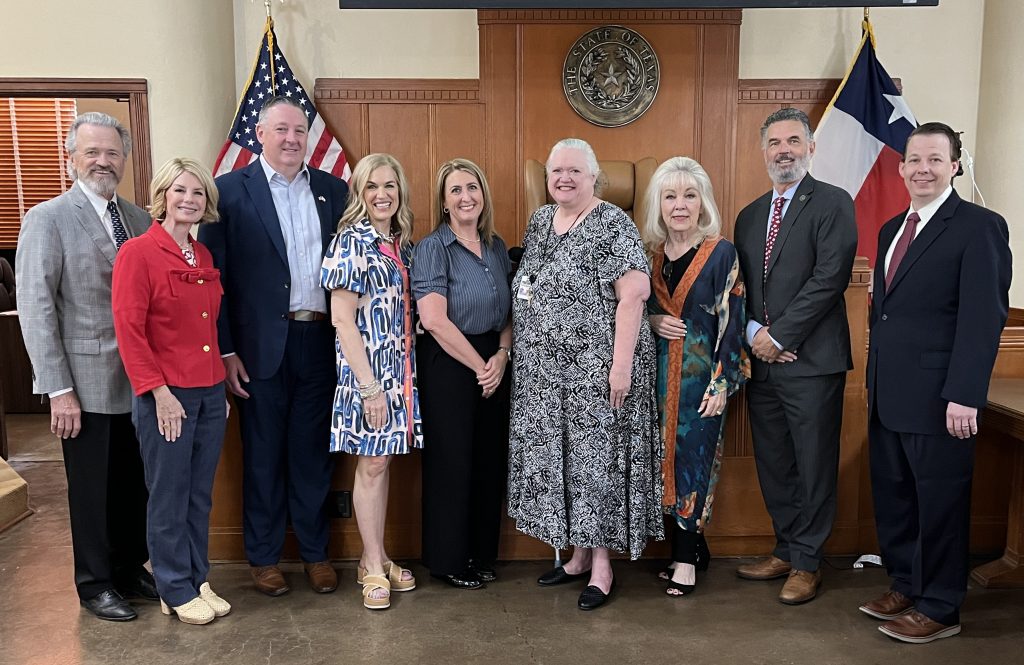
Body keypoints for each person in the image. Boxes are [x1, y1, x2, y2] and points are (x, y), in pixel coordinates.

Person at [862, 123, 1011, 644]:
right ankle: (906, 584)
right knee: (897, 497)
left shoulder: (979, 227)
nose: (922, 168)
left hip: (942, 399)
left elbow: (981, 319)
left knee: (940, 504)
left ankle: (941, 606)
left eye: (934, 159)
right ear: (901, 167)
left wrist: (965, 394)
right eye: (913, 160)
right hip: (887, 395)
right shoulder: (889, 230)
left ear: (955, 166)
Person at [199, 96, 348, 597]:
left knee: (312, 456)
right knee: (262, 456)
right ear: (258, 134)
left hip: (321, 342)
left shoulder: (333, 190)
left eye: (300, 130)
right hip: (258, 349)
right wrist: (224, 351)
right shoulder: (227, 193)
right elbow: (213, 281)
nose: (292, 139)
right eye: (281, 129)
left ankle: (315, 554)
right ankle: (263, 559)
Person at [508, 138, 661, 611]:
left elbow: (634, 295)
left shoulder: (613, 222)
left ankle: (601, 568)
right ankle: (575, 557)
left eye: (575, 171)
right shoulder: (539, 222)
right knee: (565, 464)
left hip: (599, 370)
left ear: (595, 177)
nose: (564, 179)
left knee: (596, 467)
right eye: (557, 171)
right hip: (546, 374)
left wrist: (620, 368)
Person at [16, 112, 154, 621]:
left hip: (139, 381)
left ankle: (127, 567)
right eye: (92, 152)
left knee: (132, 483)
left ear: (124, 158)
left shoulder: (140, 219)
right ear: (70, 158)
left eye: (112, 152)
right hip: (84, 384)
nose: (103, 160)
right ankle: (95, 583)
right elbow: (35, 307)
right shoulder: (47, 217)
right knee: (92, 490)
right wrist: (57, 390)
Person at [732, 107, 857, 604]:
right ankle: (785, 547)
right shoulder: (749, 215)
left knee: (813, 463)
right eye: (774, 143)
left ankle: (808, 561)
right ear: (763, 152)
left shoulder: (833, 203)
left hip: (811, 362)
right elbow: (737, 286)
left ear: (810, 147)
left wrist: (779, 336)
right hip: (761, 363)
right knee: (776, 463)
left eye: (793, 141)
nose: (783, 150)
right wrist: (755, 334)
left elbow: (829, 279)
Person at [111, 158, 230, 625]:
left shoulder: (202, 257)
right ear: (163, 196)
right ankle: (173, 586)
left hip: (207, 391)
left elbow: (209, 328)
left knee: (200, 494)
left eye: (198, 193)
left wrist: (216, 385)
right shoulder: (137, 253)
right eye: (180, 190)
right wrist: (158, 392)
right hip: (168, 395)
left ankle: (197, 578)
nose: (189, 200)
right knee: (169, 494)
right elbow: (130, 331)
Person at [641, 157, 749, 597]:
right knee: (660, 464)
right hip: (653, 383)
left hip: (701, 382)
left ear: (702, 201)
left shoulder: (721, 252)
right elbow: (628, 311)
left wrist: (722, 382)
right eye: (670, 196)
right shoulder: (648, 255)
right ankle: (694, 550)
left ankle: (684, 560)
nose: (680, 205)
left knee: (693, 464)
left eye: (689, 195)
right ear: (658, 204)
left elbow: (734, 319)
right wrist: (652, 321)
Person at [321, 153, 422, 610]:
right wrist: (369, 387)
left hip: (401, 373)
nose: (382, 194)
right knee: (373, 463)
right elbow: (342, 320)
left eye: (389, 185)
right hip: (369, 375)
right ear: (359, 195)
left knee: (382, 464)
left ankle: (374, 556)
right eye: (371, 187)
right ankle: (373, 565)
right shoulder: (350, 242)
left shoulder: (400, 243)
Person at [413, 158, 512, 590]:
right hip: (451, 362)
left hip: (495, 358)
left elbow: (514, 309)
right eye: (455, 190)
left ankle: (479, 553)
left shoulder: (496, 245)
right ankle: (449, 559)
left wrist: (503, 355)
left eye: (472, 187)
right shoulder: (433, 247)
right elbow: (433, 319)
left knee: (488, 461)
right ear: (444, 201)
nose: (466, 196)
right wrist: (480, 366)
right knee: (452, 462)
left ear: (483, 194)